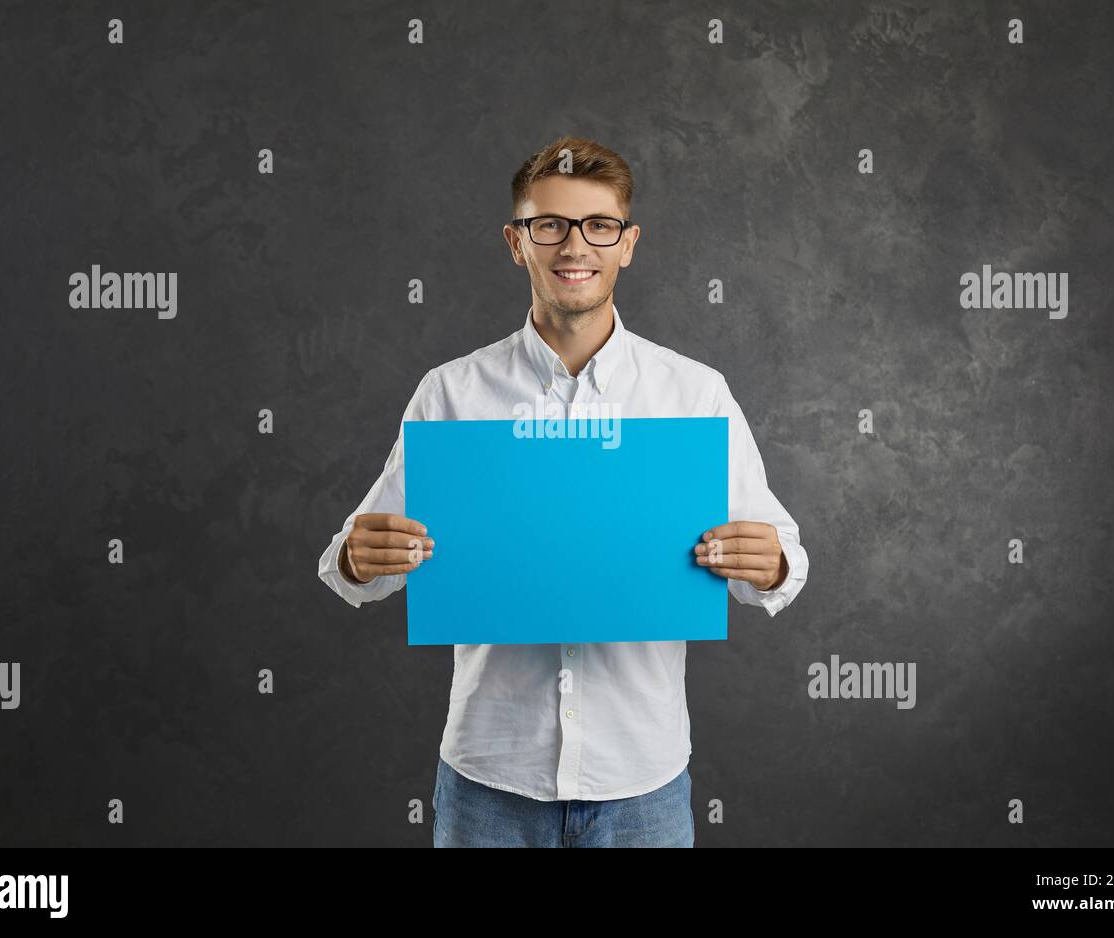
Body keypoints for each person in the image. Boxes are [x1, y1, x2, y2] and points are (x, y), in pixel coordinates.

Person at [317, 135, 809, 847]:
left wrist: (773, 565)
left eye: (598, 226)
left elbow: (784, 557)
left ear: (627, 244)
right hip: (489, 783)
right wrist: (359, 559)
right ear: (517, 243)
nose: (573, 246)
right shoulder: (452, 395)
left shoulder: (694, 395)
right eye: (548, 225)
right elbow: (350, 564)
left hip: (642, 784)